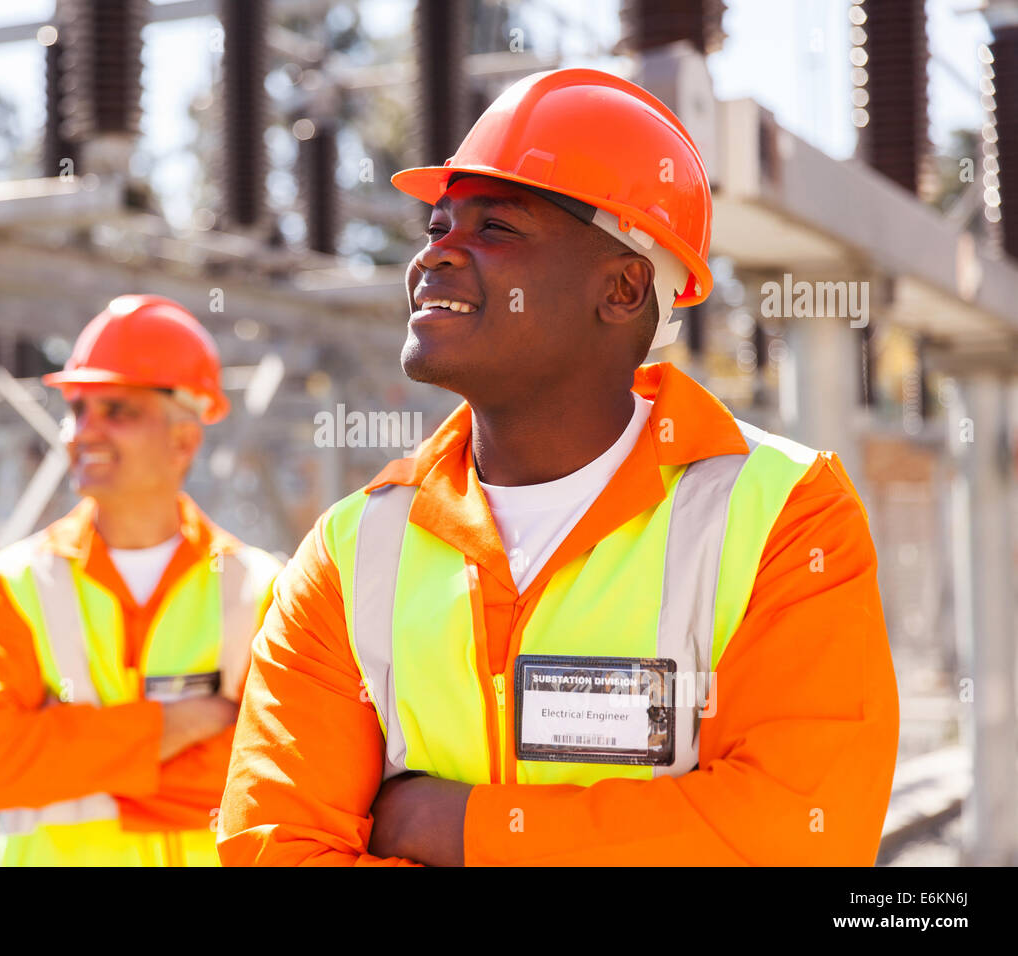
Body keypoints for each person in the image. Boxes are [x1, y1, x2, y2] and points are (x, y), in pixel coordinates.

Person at [218, 69, 899, 866]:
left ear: (622, 287)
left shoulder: (784, 515)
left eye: (496, 229)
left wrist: (456, 828)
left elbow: (794, 834)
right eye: (437, 227)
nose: (434, 255)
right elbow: (275, 847)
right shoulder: (353, 550)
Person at [0, 294, 282, 866]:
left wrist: (82, 750)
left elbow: (273, 776)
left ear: (185, 440)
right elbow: (0, 765)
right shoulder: (13, 583)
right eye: (78, 410)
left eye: (119, 411)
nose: (85, 432)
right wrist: (191, 722)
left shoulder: (262, 588)